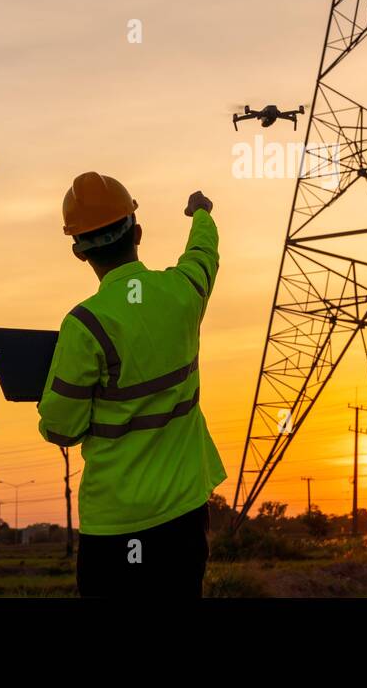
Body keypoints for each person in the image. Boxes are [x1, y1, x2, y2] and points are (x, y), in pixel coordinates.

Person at [38, 172, 226, 597]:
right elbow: (203, 253)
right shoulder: (183, 293)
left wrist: (50, 395)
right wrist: (201, 212)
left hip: (114, 523)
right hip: (183, 515)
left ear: (78, 251)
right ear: (137, 231)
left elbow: (61, 429)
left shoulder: (84, 325)